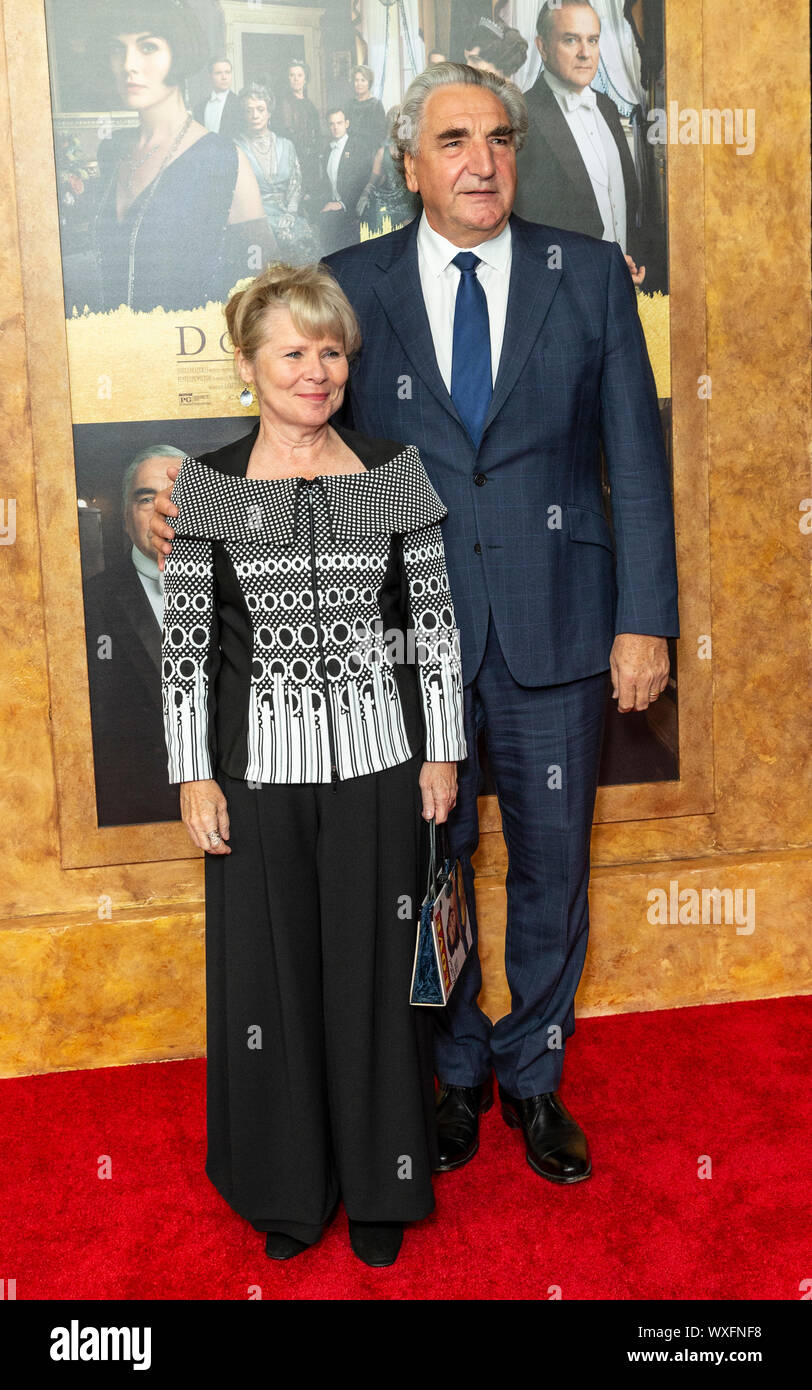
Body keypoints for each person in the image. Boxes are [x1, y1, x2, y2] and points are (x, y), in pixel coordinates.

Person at [151, 62, 679, 1193]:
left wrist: (644, 620)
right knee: (423, 871)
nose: (478, 161)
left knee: (550, 868)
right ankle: (448, 1074)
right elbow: (300, 447)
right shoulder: (350, 285)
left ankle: (533, 1077)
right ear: (407, 164)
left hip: (559, 626)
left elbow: (633, 455)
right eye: (450, 141)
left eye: (496, 138)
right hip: (394, 650)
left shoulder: (583, 275)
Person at [159, 262, 466, 1266]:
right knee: (270, 983)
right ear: (247, 366)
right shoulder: (206, 483)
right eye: (293, 351)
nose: (316, 369)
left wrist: (441, 748)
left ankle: (384, 1182)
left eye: (330, 350)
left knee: (377, 976)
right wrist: (192, 772)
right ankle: (286, 1189)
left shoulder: (392, 469)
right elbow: (187, 644)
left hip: (382, 764)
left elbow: (430, 624)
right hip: (253, 776)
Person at [82, 0, 273, 313]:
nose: (128, 64)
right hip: (112, 346)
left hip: (186, 347)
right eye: (118, 49)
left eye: (148, 47)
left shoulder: (223, 158)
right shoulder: (112, 151)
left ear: (179, 53)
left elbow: (260, 283)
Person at [83, 446, 185, 826]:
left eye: (176, 494)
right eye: (145, 498)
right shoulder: (89, 603)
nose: (162, 508)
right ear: (125, 518)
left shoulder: (242, 594)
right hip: (133, 817)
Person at [513, 1, 647, 286]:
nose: (585, 53)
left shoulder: (608, 108)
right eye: (570, 40)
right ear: (543, 46)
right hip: (560, 294)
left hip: (622, 290)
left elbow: (624, 203)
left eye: (593, 40)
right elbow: (519, 229)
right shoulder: (521, 115)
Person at [234, 84, 320, 264]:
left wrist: (290, 214)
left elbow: (296, 184)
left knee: (304, 252)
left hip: (287, 214)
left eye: (260, 109)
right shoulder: (237, 147)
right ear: (243, 114)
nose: (255, 115)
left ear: (269, 113)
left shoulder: (286, 145)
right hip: (255, 218)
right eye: (249, 110)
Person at [355, 105, 422, 236]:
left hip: (410, 198)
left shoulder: (416, 150)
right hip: (389, 198)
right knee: (378, 213)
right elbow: (374, 179)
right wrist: (364, 194)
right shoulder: (383, 152)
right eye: (393, 123)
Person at [317, 108, 370, 254]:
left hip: (352, 207)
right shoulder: (328, 149)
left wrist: (341, 203)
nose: (335, 127)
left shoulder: (358, 147)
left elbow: (361, 181)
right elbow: (326, 183)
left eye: (339, 123)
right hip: (333, 206)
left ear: (347, 124)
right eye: (331, 124)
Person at [275, 58, 322, 216]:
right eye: (292, 75)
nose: (295, 79)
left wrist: (315, 152)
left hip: (310, 159)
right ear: (288, 78)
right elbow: (286, 132)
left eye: (299, 75)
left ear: (305, 79)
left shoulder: (309, 105)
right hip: (293, 156)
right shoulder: (284, 103)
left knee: (308, 196)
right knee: (293, 197)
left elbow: (317, 134)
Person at [193, 56, 242, 139]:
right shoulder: (200, 107)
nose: (224, 77)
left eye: (227, 72)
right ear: (210, 76)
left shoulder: (239, 104)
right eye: (218, 73)